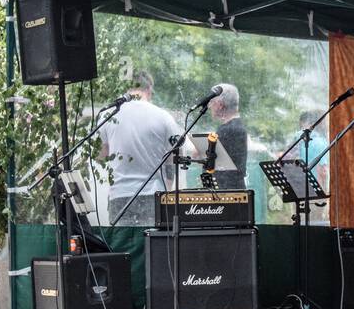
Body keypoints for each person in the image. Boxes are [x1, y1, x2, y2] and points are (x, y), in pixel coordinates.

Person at [100, 71, 188, 227]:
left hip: (119, 195)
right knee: (153, 246)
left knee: (123, 246)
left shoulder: (108, 115)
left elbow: (100, 155)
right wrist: (167, 187)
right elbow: (174, 157)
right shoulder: (163, 117)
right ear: (149, 89)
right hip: (153, 195)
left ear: (127, 89)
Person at [207, 84, 247, 190]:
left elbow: (211, 160)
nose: (209, 106)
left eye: (212, 102)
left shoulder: (227, 130)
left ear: (220, 105)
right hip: (234, 189)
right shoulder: (237, 126)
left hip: (226, 192)